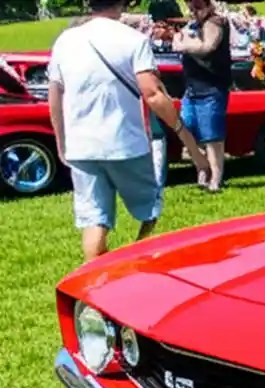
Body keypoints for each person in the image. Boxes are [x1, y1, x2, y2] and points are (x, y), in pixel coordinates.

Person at [48, 0, 208, 263]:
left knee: (94, 220)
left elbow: (55, 94)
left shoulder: (66, 40)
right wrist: (187, 139)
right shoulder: (133, 40)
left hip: (81, 146)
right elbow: (153, 94)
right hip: (125, 143)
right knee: (151, 210)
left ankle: (99, 280)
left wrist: (61, 140)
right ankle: (137, 265)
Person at [172, 0, 232, 192]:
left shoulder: (216, 22)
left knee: (212, 137)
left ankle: (215, 178)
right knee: (185, 129)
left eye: (198, 7)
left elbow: (208, 47)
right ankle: (202, 167)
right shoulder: (193, 26)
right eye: (191, 8)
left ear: (208, 6)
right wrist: (180, 40)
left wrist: (185, 45)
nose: (193, 12)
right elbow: (178, 41)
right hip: (191, 89)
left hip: (211, 88)